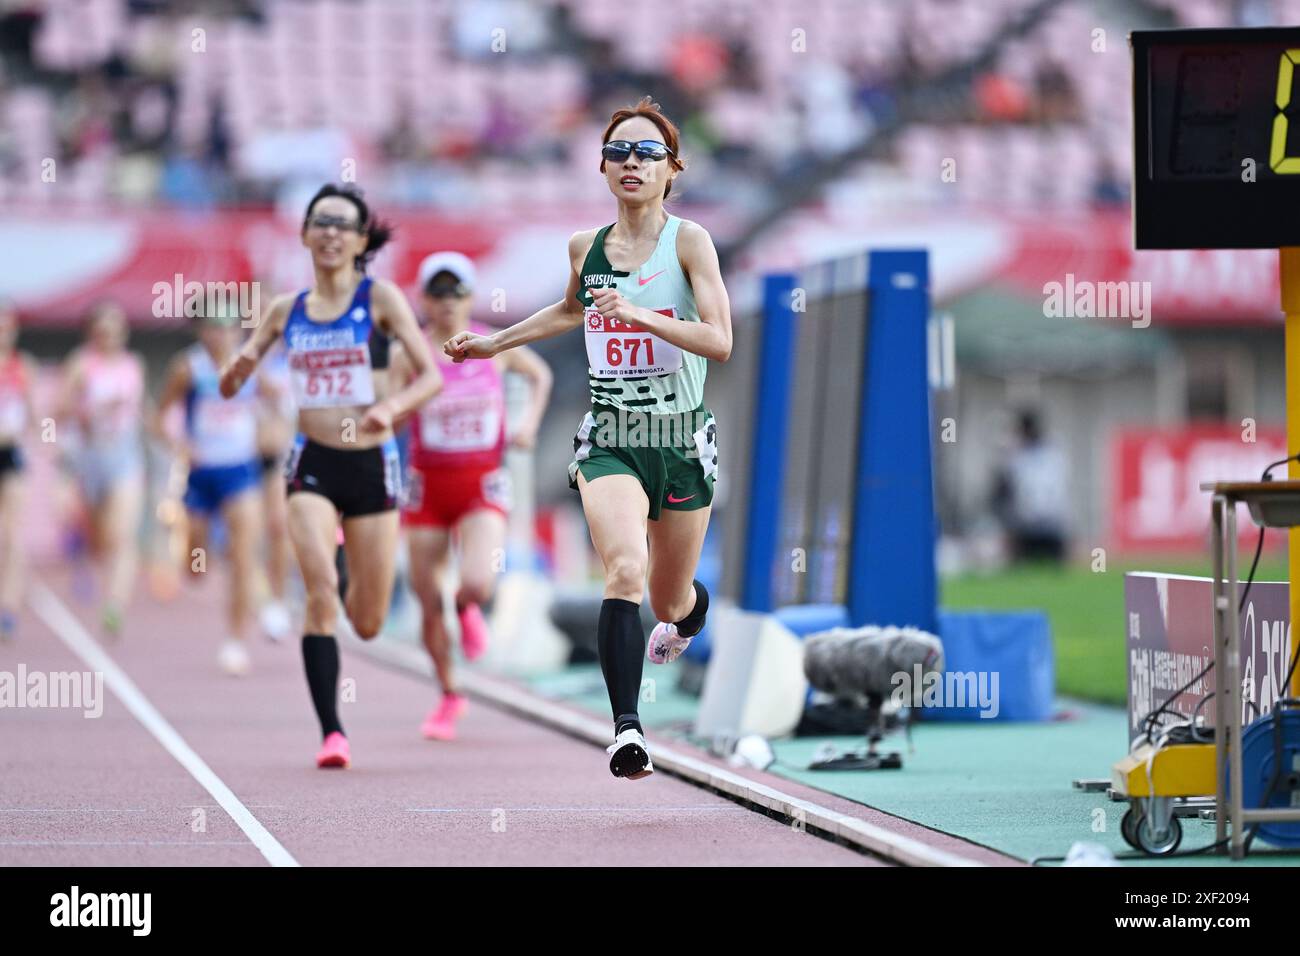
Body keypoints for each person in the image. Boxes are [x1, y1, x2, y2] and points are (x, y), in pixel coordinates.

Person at [444, 98, 731, 779]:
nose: (633, 163)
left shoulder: (689, 243)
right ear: (603, 167)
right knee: (624, 569)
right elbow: (570, 311)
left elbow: (719, 341)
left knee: (669, 598)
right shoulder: (588, 247)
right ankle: (628, 730)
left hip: (683, 441)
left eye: (648, 153)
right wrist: (494, 342)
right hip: (611, 438)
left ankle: (688, 623)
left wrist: (639, 314)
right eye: (620, 153)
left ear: (671, 170)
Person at [219, 183, 440, 769]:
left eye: (344, 224)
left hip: (371, 465)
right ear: (305, 234)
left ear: (361, 239)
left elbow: (430, 378)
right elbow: (234, 378)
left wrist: (391, 410)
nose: (331, 233)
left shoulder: (382, 299)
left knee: (366, 622)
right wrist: (237, 366)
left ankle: (345, 567)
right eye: (321, 222)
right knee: (318, 596)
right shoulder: (285, 311)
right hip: (311, 462)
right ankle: (332, 735)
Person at [396, 250, 552, 740]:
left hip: (481, 483)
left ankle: (467, 606)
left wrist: (526, 424)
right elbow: (389, 408)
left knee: (480, 581)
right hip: (427, 486)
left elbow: (540, 374)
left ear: (470, 296)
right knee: (426, 599)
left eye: (456, 292)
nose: (447, 302)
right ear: (424, 299)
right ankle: (447, 694)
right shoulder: (412, 353)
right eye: (437, 293)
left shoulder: (493, 344)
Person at [152, 311, 268, 675]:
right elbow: (158, 419)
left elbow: (278, 405)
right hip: (201, 475)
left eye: (228, 328)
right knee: (196, 565)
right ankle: (197, 556)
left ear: (238, 330)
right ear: (202, 331)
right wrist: (180, 446)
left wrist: (273, 429)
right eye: (213, 328)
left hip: (240, 472)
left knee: (244, 554)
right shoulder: (188, 367)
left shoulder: (250, 365)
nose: (221, 335)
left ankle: (235, 641)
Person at [57, 301, 147, 638]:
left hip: (124, 455)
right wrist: (89, 411)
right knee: (102, 540)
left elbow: (139, 410)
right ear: (93, 331)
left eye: (116, 327)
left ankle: (114, 605)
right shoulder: (81, 364)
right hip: (89, 456)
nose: (110, 334)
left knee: (124, 537)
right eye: (103, 328)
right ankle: (84, 553)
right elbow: (58, 413)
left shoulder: (133, 365)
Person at [0, 302, 35, 640]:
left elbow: (37, 416)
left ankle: (8, 607)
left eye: (8, 326)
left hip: (10, 456)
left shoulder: (22, 367)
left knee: (12, 533)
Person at [993, 409, 1069, 563]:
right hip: (1033, 525)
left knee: (1042, 570)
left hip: (1041, 523)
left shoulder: (1019, 456)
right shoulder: (1053, 451)